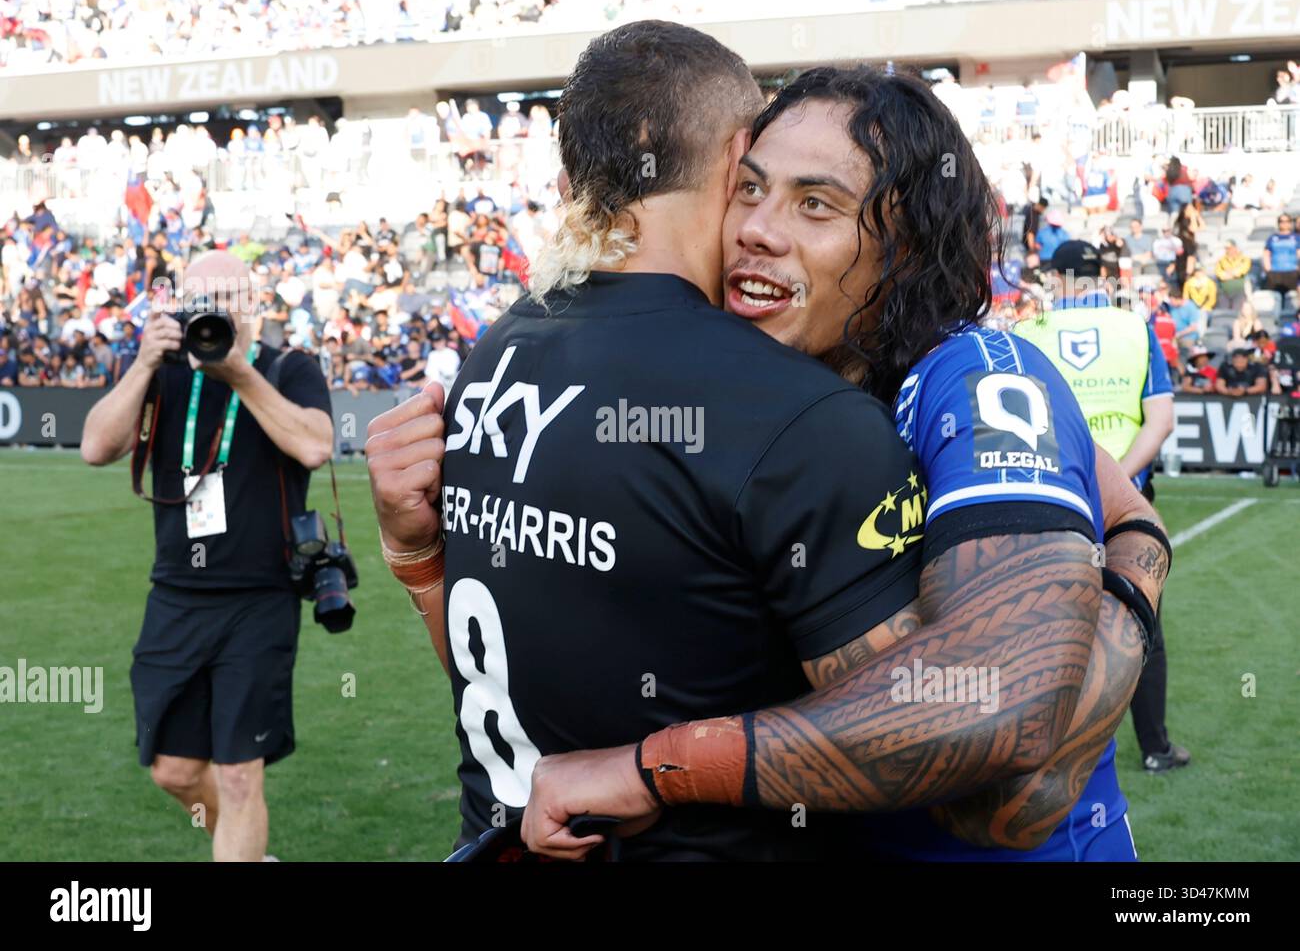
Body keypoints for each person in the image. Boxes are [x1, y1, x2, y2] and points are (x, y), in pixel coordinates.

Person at [373, 51, 1169, 862]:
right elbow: (529, 691)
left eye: (815, 204)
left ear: (907, 245)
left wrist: (1139, 549)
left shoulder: (972, 381)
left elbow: (1013, 781)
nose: (757, 227)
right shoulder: (761, 406)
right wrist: (420, 557)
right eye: (748, 188)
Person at [78, 251, 334, 862]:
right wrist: (143, 363)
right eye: (202, 300)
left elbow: (315, 445)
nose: (216, 311)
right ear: (179, 306)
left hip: (260, 596)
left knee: (242, 775)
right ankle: (250, 850)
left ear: (254, 304)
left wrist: (240, 374)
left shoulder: (287, 367)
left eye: (230, 298)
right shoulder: (162, 372)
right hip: (175, 594)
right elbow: (95, 447)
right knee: (173, 770)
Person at [1013, 241, 1189, 774]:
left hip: (1052, 496)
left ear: (1054, 277)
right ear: (1102, 276)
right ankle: (1155, 747)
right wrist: (1124, 481)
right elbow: (1160, 419)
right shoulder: (1133, 328)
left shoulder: (1026, 332)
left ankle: (1037, 751)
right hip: (1125, 503)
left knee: (1042, 621)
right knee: (1139, 619)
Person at [1262, 213, 1298, 315]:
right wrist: (1268, 270)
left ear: (1290, 223)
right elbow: (1266, 254)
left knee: (1291, 299)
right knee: (1275, 298)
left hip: (1292, 272)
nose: (1284, 224)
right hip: (1275, 272)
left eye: (1287, 221)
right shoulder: (1273, 238)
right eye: (1282, 221)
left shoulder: (1295, 238)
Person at [1214, 240, 1252, 312]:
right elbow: (1219, 274)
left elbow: (1242, 271)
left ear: (1235, 248)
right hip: (1224, 291)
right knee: (1223, 313)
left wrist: (1229, 272)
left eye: (1229, 248)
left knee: (1237, 313)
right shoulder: (1221, 260)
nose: (1228, 250)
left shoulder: (1244, 259)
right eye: (1226, 248)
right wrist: (1233, 273)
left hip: (1239, 291)